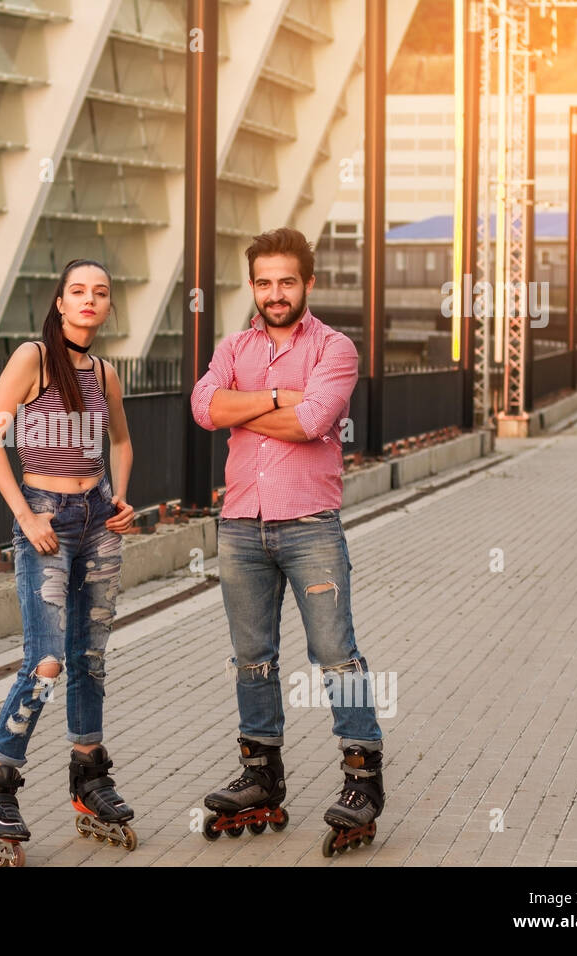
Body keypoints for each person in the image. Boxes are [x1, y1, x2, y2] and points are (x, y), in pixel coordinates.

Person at [189, 227, 386, 854]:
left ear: (308, 283)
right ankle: (261, 774)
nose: (276, 293)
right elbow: (202, 408)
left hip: (309, 526)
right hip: (241, 524)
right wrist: (274, 396)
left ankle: (363, 777)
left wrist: (242, 407)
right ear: (252, 285)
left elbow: (313, 421)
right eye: (265, 282)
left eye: (288, 281)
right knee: (252, 658)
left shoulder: (335, 347)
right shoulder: (233, 345)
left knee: (336, 653)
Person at [0, 258, 137, 865]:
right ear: (60, 302)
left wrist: (119, 495)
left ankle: (90, 778)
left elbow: (120, 439)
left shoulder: (106, 371)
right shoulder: (32, 358)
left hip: (96, 520)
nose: (90, 301)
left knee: (90, 657)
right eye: (78, 292)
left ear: (108, 307)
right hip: (46, 518)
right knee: (47, 661)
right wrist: (26, 515)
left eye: (101, 293)